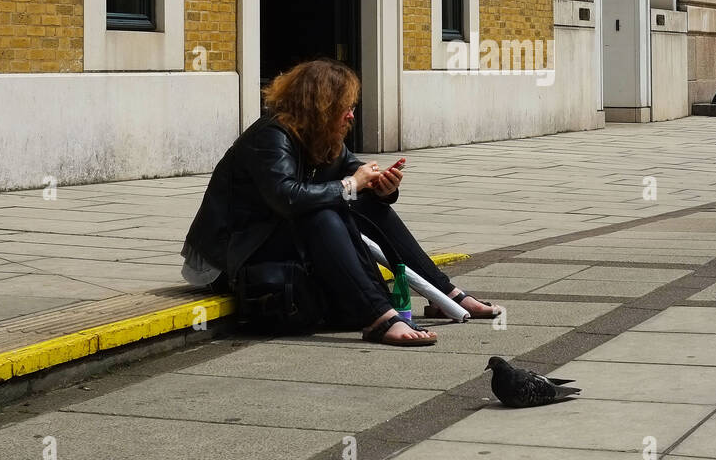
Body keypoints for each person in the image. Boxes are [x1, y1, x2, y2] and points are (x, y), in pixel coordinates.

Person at [181, 59, 502, 346]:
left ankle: (444, 294)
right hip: (229, 256)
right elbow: (287, 198)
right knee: (322, 214)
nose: (350, 114)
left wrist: (382, 188)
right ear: (320, 105)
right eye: (344, 106)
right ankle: (380, 317)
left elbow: (354, 181)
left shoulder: (321, 136)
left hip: (272, 238)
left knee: (368, 205)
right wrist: (352, 183)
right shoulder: (270, 136)